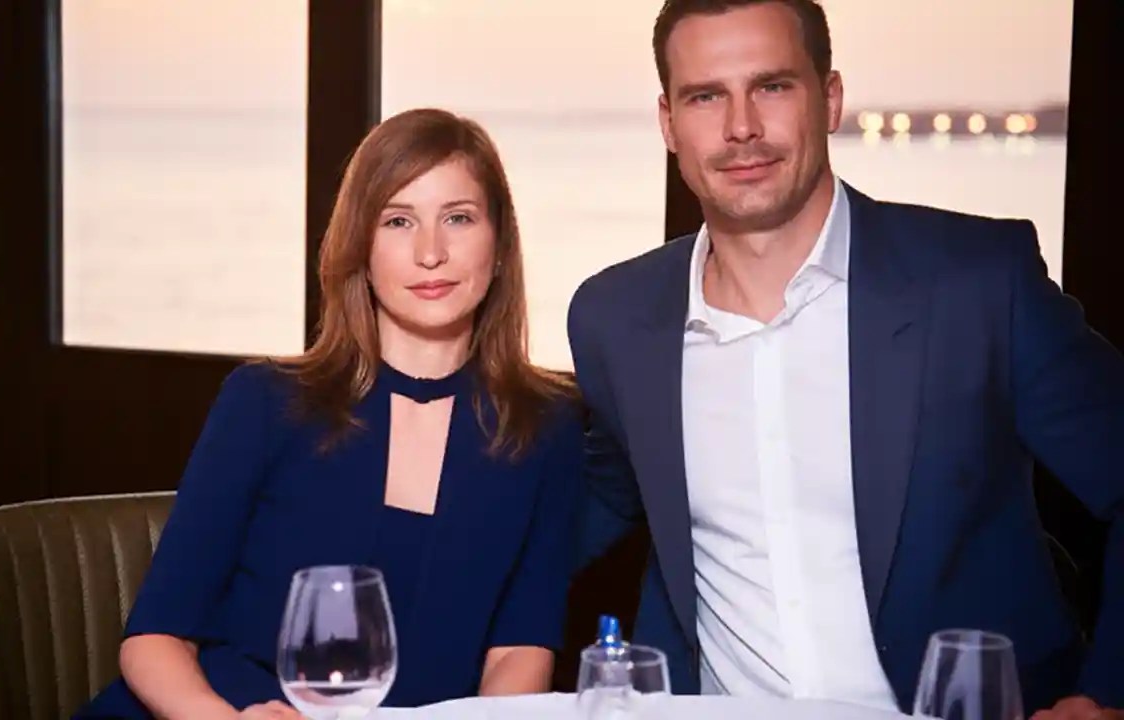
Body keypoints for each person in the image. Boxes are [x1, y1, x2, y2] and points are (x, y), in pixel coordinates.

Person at [567, 1, 1124, 718]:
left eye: (772, 86)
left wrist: (1107, 695)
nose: (741, 127)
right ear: (669, 123)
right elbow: (595, 498)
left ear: (829, 100)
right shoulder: (617, 317)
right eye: (706, 96)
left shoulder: (980, 285)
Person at [76, 107, 583, 719]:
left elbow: (520, 650)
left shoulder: (544, 426)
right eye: (398, 221)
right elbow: (154, 640)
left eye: (458, 218)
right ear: (361, 248)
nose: (431, 252)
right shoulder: (264, 400)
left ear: (499, 245)